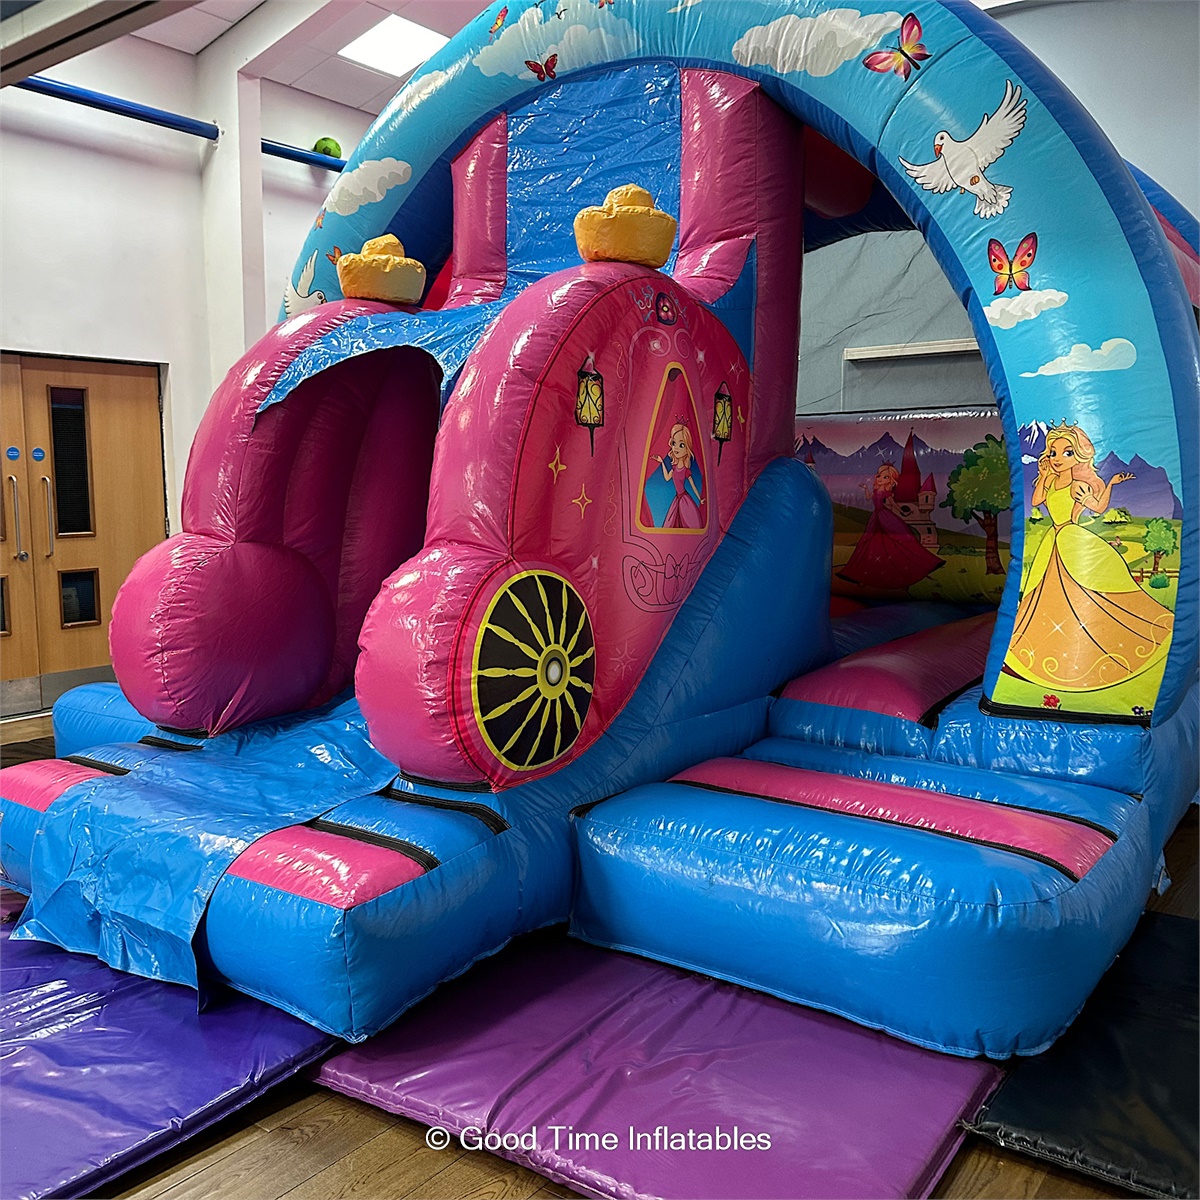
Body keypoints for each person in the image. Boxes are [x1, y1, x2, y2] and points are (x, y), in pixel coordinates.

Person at [1003, 422, 1173, 690]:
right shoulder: (1052, 481)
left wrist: (1111, 484)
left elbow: (1099, 507)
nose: (1058, 458)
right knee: (1044, 594)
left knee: (1083, 592)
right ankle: (1041, 650)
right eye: (1054, 452)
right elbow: (1035, 501)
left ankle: (1094, 648)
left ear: (1078, 456)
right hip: (1053, 540)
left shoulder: (1077, 487)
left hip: (1071, 537)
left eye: (1067, 452)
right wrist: (1044, 476)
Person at [837, 462, 943, 589]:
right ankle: (862, 575)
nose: (880, 478)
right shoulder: (876, 491)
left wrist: (903, 512)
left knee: (896, 540)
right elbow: (868, 497)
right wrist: (865, 488)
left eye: (885, 477)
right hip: (876, 517)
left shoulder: (886, 493)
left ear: (890, 480)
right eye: (879, 476)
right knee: (869, 542)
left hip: (884, 516)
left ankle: (911, 570)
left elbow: (894, 504)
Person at [648, 421, 704, 529]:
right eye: (674, 443)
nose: (676, 448)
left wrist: (700, 498)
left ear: (687, 449)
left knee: (688, 522)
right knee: (672, 522)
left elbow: (693, 486)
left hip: (684, 498)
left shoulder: (686, 470)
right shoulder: (674, 468)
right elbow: (667, 478)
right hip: (677, 499)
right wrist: (662, 462)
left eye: (681, 445)